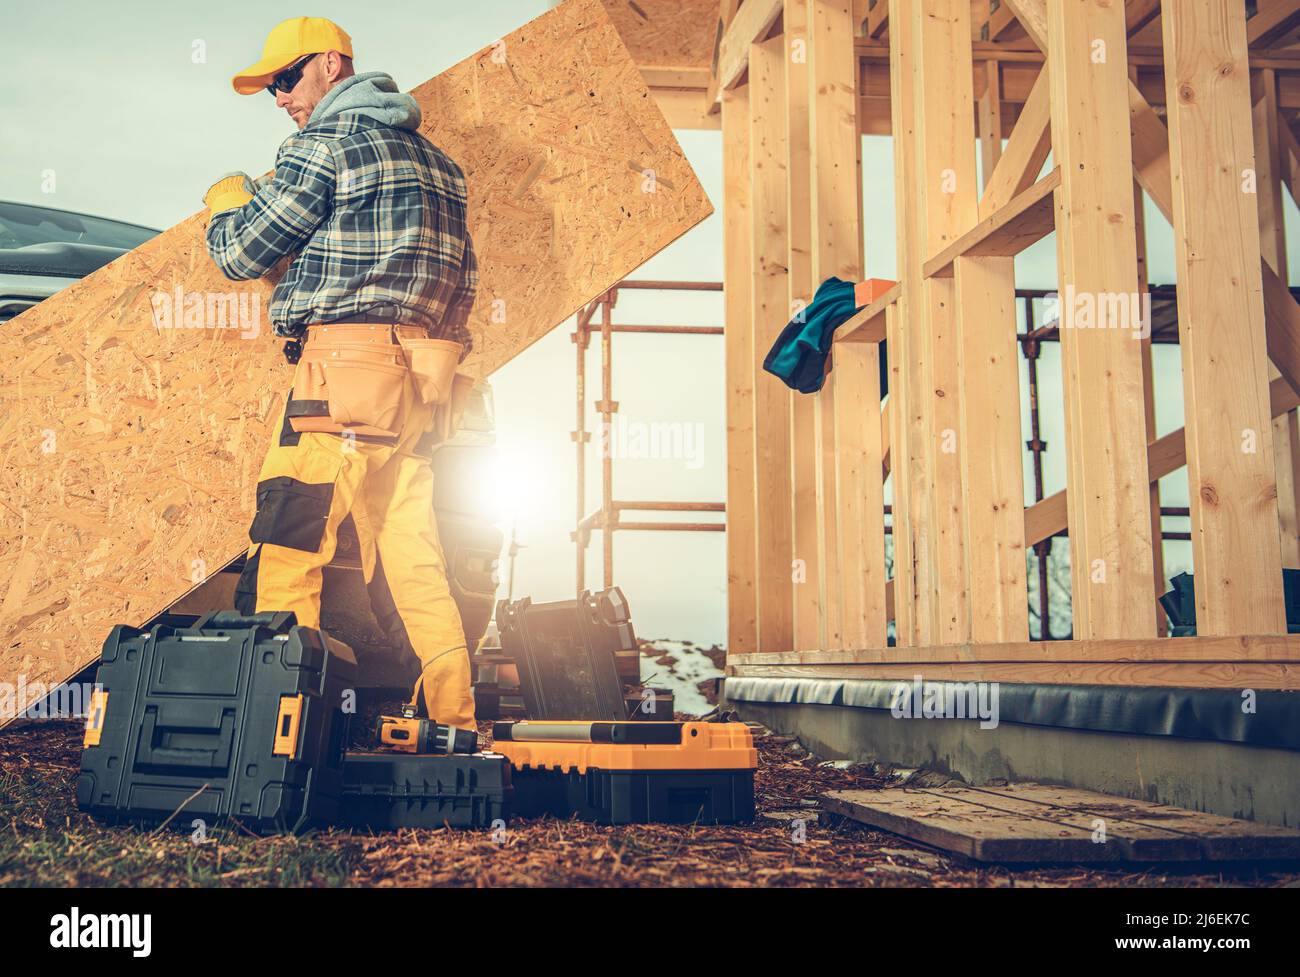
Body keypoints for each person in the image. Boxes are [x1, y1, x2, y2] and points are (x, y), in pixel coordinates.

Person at [203, 16, 478, 727]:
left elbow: (241, 254)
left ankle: (274, 727)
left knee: (290, 541)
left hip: (338, 387)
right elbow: (463, 288)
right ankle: (454, 722)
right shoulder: (442, 167)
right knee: (414, 558)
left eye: (287, 78)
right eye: (270, 86)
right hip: (416, 389)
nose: (280, 97)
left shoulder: (320, 148)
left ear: (332, 65)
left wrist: (226, 203)